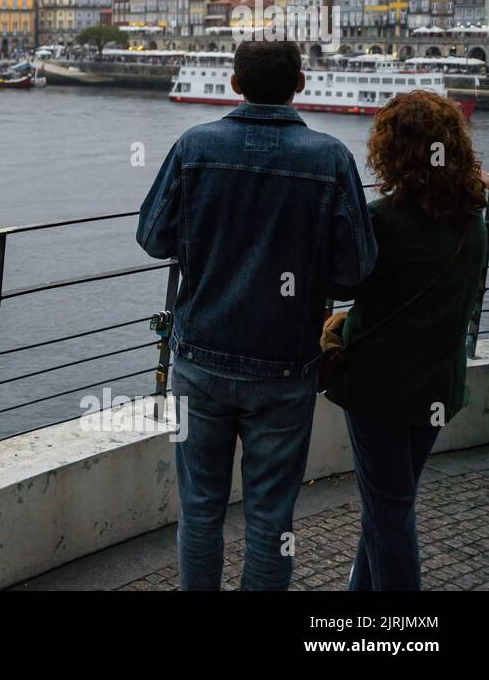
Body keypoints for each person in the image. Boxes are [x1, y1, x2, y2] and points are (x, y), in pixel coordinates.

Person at [136, 39, 377, 590]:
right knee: (270, 521)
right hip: (286, 364)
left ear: (234, 85)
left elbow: (152, 237)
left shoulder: (194, 147)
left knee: (200, 509)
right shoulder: (331, 158)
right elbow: (357, 268)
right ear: (300, 84)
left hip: (201, 357)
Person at [322, 91, 487, 590]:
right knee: (389, 503)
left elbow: (339, 283)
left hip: (379, 390)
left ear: (390, 150)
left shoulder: (380, 222)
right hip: (438, 388)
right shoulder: (474, 226)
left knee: (390, 515)